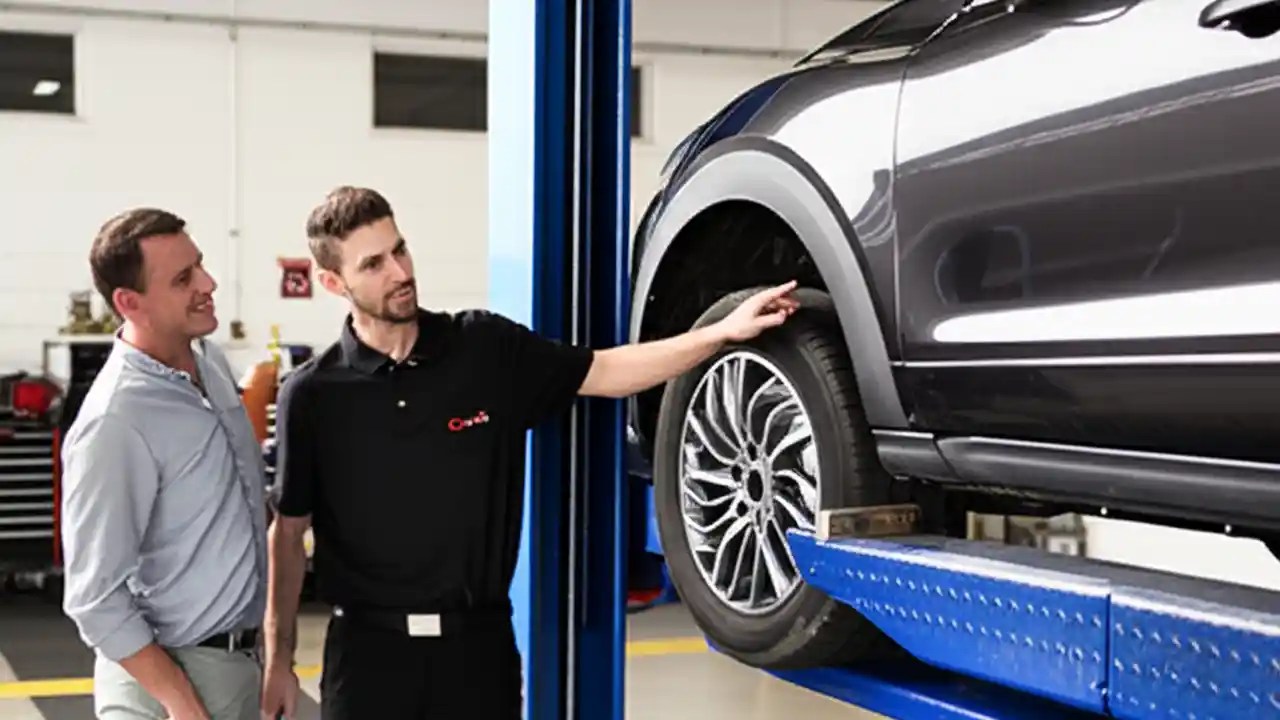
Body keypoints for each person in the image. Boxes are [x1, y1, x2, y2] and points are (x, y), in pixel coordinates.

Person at [259, 186, 798, 719]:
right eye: (373, 264)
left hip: (476, 652)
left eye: (399, 249)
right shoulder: (312, 395)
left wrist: (722, 333)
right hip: (367, 655)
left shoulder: (483, 349)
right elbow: (287, 535)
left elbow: (606, 371)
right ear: (333, 282)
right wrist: (278, 662)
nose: (400, 272)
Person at [59, 208, 269, 720]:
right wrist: (181, 702)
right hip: (169, 685)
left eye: (199, 265)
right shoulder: (115, 421)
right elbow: (93, 598)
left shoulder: (210, 362)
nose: (208, 283)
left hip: (233, 663)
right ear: (130, 304)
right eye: (183, 279)